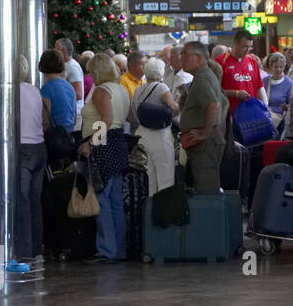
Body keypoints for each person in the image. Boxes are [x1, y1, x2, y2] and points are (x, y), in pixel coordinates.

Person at [78, 53, 131, 263]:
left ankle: (107, 250)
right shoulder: (122, 89)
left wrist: (90, 143)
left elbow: (106, 121)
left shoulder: (102, 91)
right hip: (118, 144)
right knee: (116, 200)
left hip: (103, 146)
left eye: (91, 70)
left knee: (102, 200)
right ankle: (119, 249)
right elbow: (128, 117)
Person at [16, 55, 49, 266]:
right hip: (39, 148)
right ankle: (37, 250)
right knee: (34, 201)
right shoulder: (34, 90)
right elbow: (44, 120)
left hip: (23, 149)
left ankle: (25, 252)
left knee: (22, 201)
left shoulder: (10, 91)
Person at [179, 42, 226, 193]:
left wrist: (205, 133)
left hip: (205, 144)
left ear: (198, 57)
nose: (182, 58)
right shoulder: (205, 76)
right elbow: (223, 103)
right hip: (207, 142)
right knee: (205, 188)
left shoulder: (202, 78)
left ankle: (209, 218)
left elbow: (213, 105)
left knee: (207, 191)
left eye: (185, 54)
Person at [129, 57, 178, 195]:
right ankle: (163, 213)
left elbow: (134, 111)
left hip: (142, 136)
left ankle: (150, 211)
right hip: (160, 137)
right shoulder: (161, 87)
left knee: (150, 179)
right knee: (165, 179)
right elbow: (174, 109)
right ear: (161, 72)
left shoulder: (139, 90)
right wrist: (182, 101)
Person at [217, 29, 266, 119]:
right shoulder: (221, 61)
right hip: (230, 116)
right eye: (245, 47)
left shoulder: (252, 61)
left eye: (250, 47)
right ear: (236, 43)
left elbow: (259, 87)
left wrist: (263, 109)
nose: (247, 50)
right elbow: (215, 91)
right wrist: (235, 94)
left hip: (251, 115)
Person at [38, 49, 77, 133]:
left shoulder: (47, 89)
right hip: (69, 134)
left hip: (55, 136)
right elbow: (75, 118)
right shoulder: (69, 86)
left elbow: (45, 120)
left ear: (42, 65)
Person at [54, 37, 85, 131]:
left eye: (56, 49)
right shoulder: (67, 65)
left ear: (62, 51)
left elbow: (79, 94)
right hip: (69, 112)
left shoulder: (72, 67)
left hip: (74, 113)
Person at [262, 52, 293, 132]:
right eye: (276, 67)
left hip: (279, 122)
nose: (279, 69)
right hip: (265, 120)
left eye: (281, 67)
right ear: (270, 66)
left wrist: (286, 107)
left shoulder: (289, 83)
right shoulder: (265, 81)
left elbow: (291, 104)